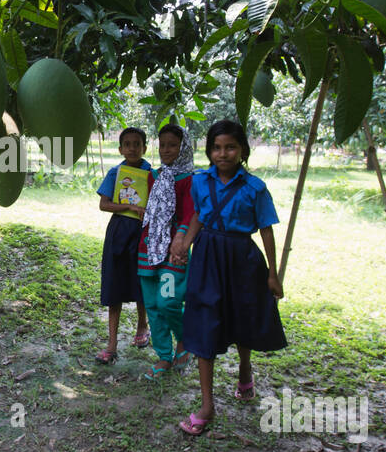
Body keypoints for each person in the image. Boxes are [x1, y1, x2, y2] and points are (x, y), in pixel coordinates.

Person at [174, 120, 286, 435]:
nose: (223, 154)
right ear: (209, 151)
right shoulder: (199, 181)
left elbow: (266, 228)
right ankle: (207, 406)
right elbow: (198, 214)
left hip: (243, 260)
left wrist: (273, 274)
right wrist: (185, 244)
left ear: (242, 151)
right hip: (207, 257)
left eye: (230, 147)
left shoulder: (255, 188)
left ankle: (245, 369)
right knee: (203, 323)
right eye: (217, 147)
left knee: (242, 318)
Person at [137, 124, 196, 379]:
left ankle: (184, 340)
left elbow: (190, 214)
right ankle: (164, 356)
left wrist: (181, 239)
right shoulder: (154, 175)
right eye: (162, 145)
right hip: (147, 249)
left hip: (174, 251)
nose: (166, 150)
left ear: (183, 148)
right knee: (152, 304)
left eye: (172, 145)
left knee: (168, 301)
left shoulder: (190, 179)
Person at [95, 128, 152, 363]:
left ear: (144, 148)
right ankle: (111, 344)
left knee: (141, 282)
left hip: (142, 234)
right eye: (127, 144)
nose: (132, 148)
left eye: (136, 144)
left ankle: (142, 327)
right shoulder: (115, 173)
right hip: (119, 232)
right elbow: (104, 204)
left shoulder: (152, 174)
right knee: (114, 284)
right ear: (120, 149)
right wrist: (130, 208)